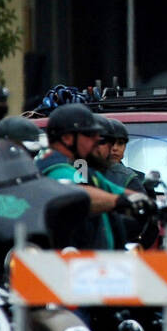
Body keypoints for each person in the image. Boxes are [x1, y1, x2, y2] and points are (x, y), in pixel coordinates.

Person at [35, 104, 148, 251]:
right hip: (68, 263)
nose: (96, 140)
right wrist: (118, 201)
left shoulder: (81, 165)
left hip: (94, 261)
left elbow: (108, 187)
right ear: (68, 138)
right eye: (89, 135)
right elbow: (77, 192)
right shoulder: (55, 164)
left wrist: (142, 200)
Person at [98, 118, 145, 191]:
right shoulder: (83, 172)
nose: (115, 148)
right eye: (111, 143)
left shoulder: (135, 179)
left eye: (120, 143)